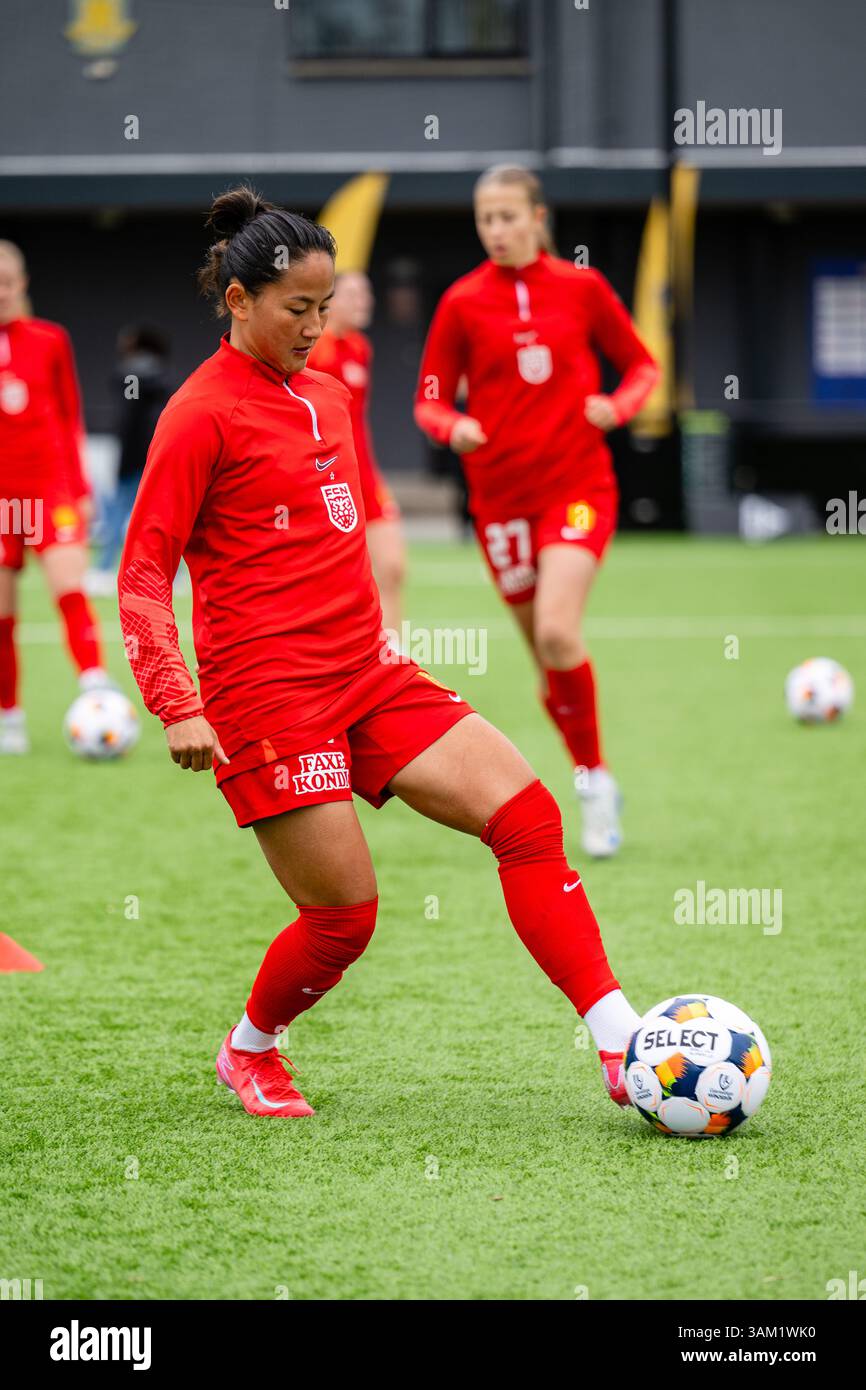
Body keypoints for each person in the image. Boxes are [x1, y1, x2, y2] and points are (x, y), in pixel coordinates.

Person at [118, 185, 641, 1120]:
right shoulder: (198, 414)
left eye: (325, 309)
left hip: (367, 672)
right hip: (266, 697)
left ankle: (621, 1041)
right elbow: (143, 572)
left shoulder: (324, 393)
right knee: (345, 918)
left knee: (526, 818)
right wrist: (177, 700)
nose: (317, 330)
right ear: (238, 302)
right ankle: (250, 1049)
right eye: (297, 311)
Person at [414, 165, 661, 858]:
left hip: (578, 491)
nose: (496, 230)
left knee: (557, 631)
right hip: (499, 502)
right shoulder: (462, 302)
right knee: (544, 658)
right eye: (485, 219)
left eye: (508, 216)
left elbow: (642, 365)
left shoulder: (581, 289)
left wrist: (617, 407)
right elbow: (429, 395)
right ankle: (585, 764)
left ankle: (594, 782)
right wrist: (449, 425)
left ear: (538, 217)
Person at [0, 240, 111, 755]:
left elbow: (70, 415)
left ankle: (97, 693)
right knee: (3, 614)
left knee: (70, 587)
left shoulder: (49, 339)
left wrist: (82, 490)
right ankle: (10, 718)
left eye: (6, 282)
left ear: (21, 283)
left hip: (50, 490)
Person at [306, 271, 406, 636]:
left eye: (367, 294)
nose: (365, 301)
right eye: (353, 294)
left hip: (365, 472)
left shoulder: (361, 348)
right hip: (327, 478)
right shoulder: (313, 349)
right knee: (330, 581)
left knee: (393, 566)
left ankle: (392, 657)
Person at [89, 325, 171, 593]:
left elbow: (130, 416)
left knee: (117, 513)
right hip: (154, 454)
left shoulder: (131, 374)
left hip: (137, 457)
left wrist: (129, 455)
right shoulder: (157, 376)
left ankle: (103, 569)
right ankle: (174, 573)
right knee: (161, 517)